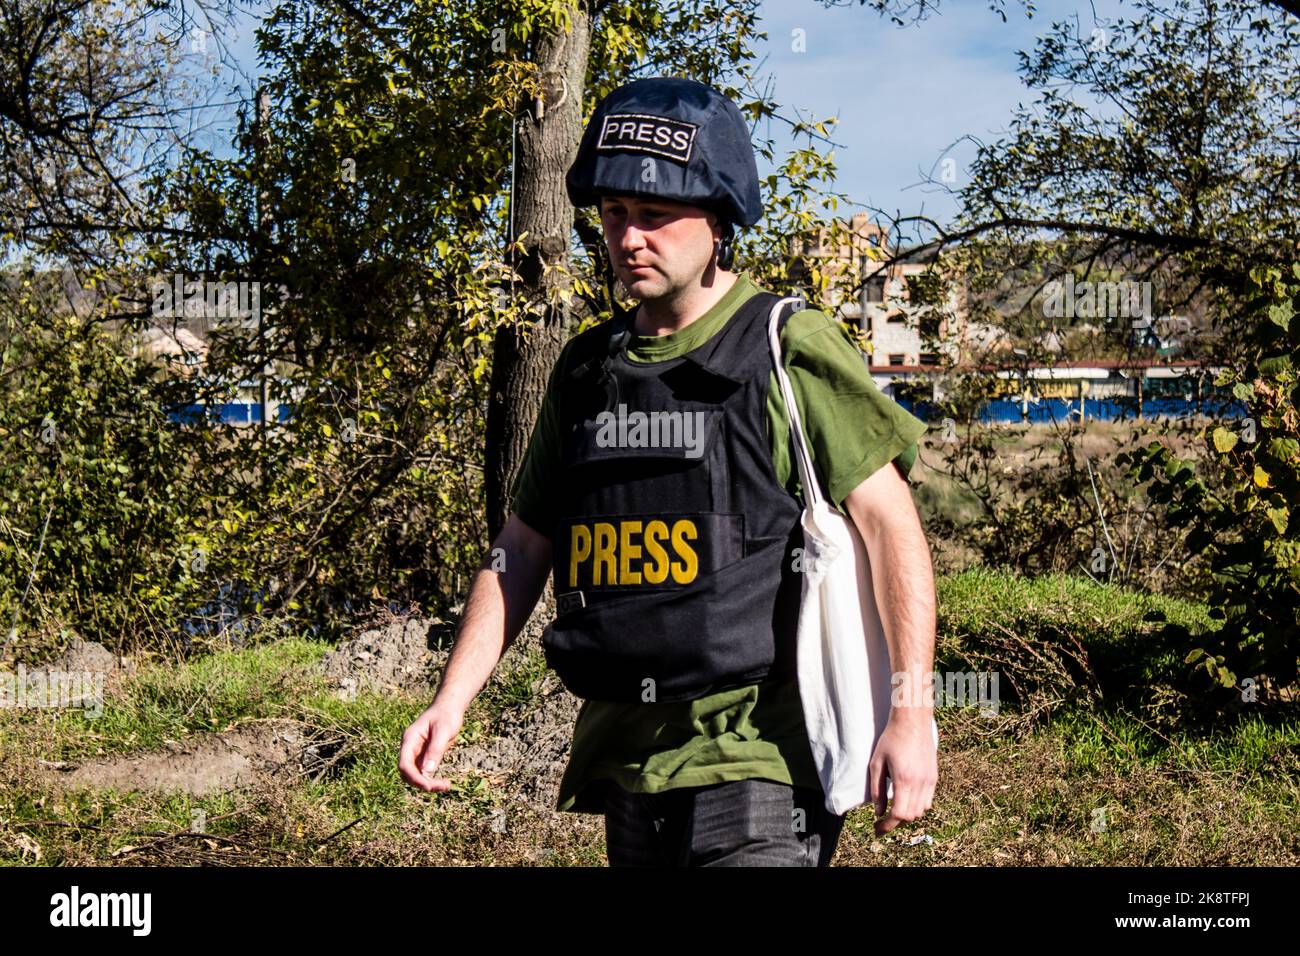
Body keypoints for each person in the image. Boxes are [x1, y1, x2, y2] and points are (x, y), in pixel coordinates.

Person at [399, 76, 938, 866]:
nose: (629, 238)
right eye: (615, 212)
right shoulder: (588, 370)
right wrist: (452, 700)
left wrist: (912, 715)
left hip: (762, 758)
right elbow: (522, 546)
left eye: (655, 215)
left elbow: (892, 525)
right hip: (628, 760)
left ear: (719, 220)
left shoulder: (786, 346)